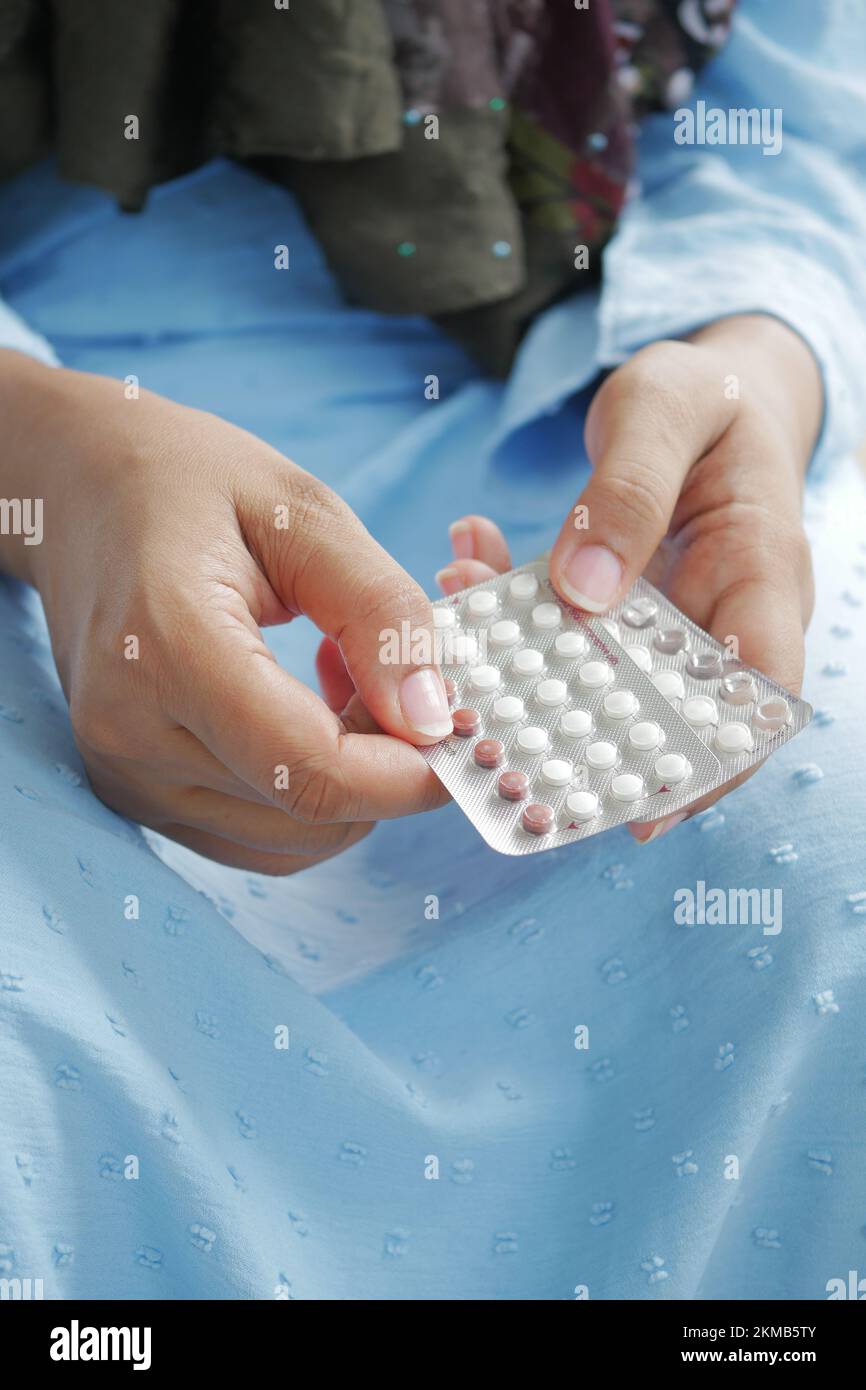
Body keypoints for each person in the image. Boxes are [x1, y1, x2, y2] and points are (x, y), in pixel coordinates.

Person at [0, 0, 865, 1302]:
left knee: (821, 865)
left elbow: (792, 120)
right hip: (43, 438)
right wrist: (50, 459)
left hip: (586, 421)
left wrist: (752, 362)